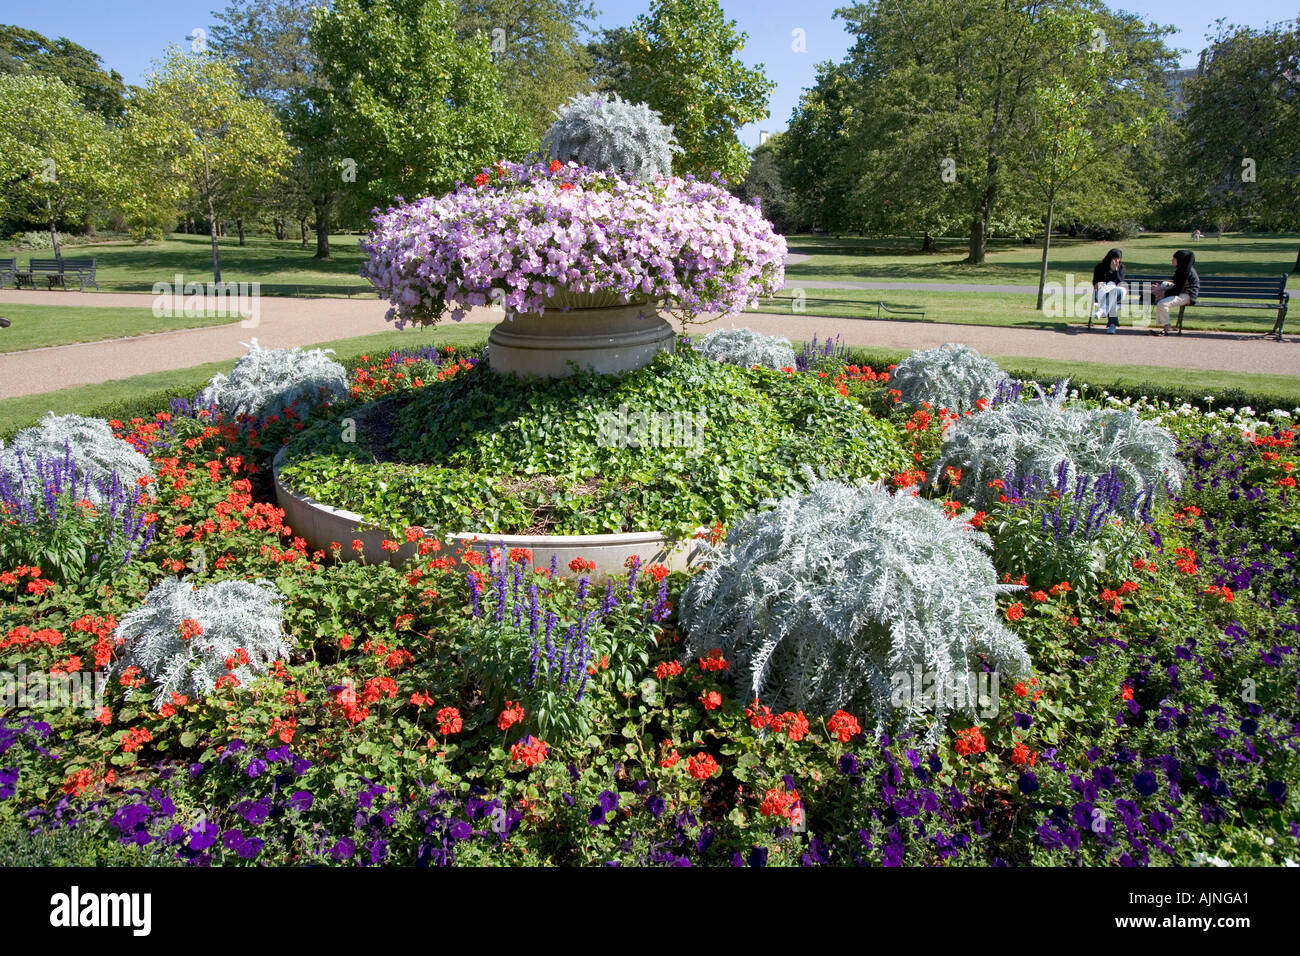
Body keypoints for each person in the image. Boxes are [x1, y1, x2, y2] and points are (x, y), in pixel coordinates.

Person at [1148, 249, 1199, 336]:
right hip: (1181, 292)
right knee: (1163, 284)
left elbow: (1178, 289)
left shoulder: (1186, 271)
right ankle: (1155, 296)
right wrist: (1161, 288)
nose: (1172, 260)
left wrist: (1163, 292)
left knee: (1162, 304)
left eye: (1174, 258)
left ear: (1180, 260)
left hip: (1188, 295)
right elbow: (1176, 285)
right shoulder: (1182, 268)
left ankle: (1166, 327)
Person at [1091, 247, 1126, 333]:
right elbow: (1095, 282)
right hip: (1104, 292)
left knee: (1114, 292)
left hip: (1119, 292)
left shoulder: (1121, 267)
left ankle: (1102, 310)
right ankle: (1112, 326)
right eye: (1115, 258)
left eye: (1118, 259)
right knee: (1111, 299)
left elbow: (1119, 282)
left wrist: (1115, 270)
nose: (1117, 261)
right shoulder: (1100, 267)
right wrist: (1097, 284)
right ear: (1109, 258)